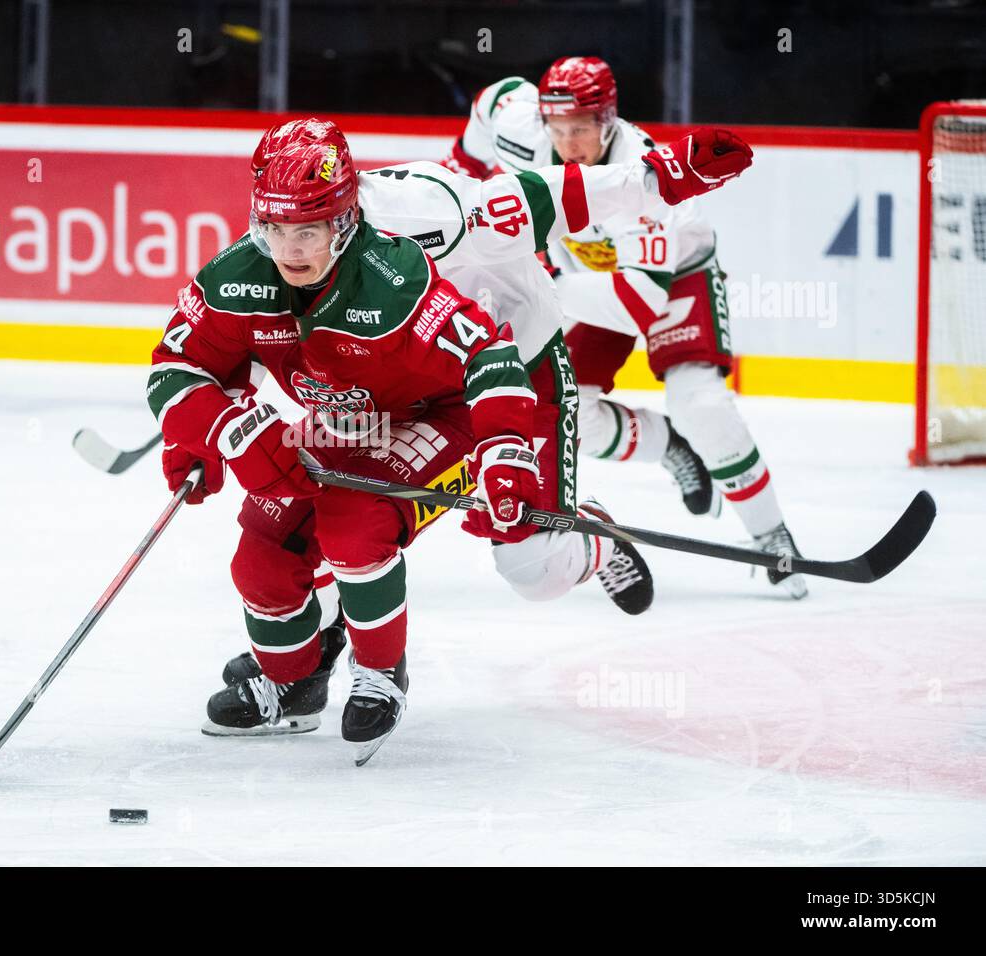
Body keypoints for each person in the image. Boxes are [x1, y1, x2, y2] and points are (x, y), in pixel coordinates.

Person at [149, 121, 752, 759]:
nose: (289, 248)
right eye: (276, 226)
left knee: (534, 569)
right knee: (293, 526)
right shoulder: (260, 260)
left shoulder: (428, 217)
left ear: (348, 216)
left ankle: (587, 534)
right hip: (375, 390)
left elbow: (547, 195)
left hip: (503, 370)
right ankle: (301, 668)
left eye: (310, 228)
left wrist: (664, 175)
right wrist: (208, 426)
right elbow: (201, 356)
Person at [448, 57, 807, 598]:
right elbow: (483, 117)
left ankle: (771, 535)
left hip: (672, 277)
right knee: (575, 412)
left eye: (583, 129)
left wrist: (540, 285)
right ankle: (670, 447)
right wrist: (462, 193)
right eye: (559, 129)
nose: (570, 143)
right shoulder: (516, 120)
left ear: (609, 119)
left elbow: (639, 303)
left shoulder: (642, 173)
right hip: (589, 281)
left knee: (700, 402)